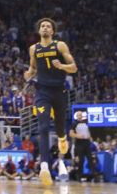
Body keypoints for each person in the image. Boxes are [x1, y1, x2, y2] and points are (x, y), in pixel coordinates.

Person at [23, 17, 77, 186]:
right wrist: (29, 73)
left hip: (58, 91)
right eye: (42, 26)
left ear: (52, 31)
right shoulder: (34, 49)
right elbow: (33, 68)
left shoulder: (60, 46)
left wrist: (62, 66)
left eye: (48, 26)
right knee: (43, 126)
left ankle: (62, 139)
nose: (45, 28)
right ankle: (44, 166)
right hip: (42, 92)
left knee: (60, 127)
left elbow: (74, 67)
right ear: (39, 31)